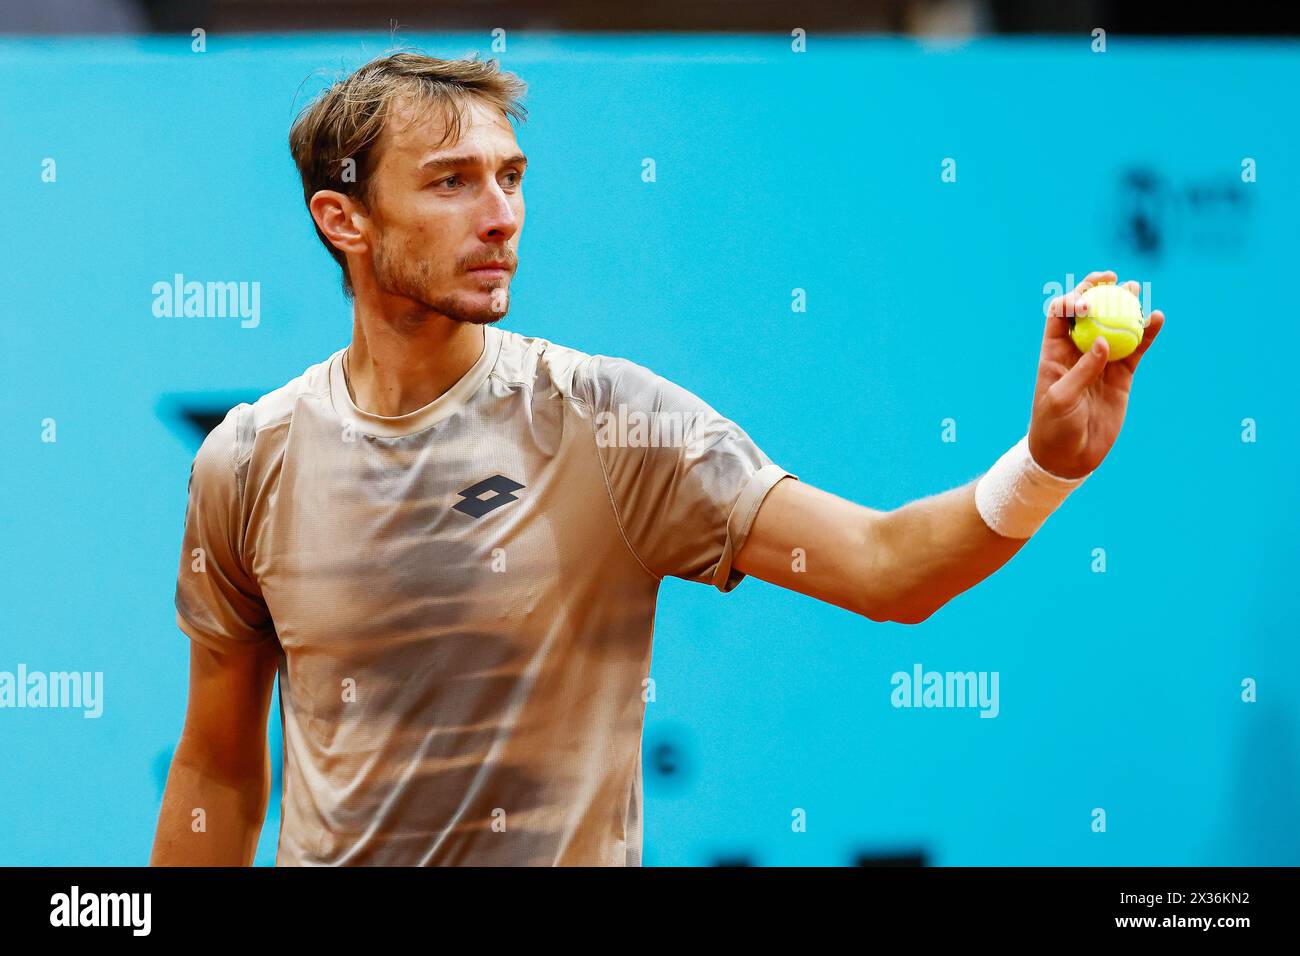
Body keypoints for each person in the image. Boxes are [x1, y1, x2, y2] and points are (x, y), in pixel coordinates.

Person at [150, 52, 1165, 866]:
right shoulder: (248, 458)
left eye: (511, 177)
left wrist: (1044, 464)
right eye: (452, 183)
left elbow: (886, 568)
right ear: (345, 221)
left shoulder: (610, 421)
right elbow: (220, 771)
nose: (501, 214)